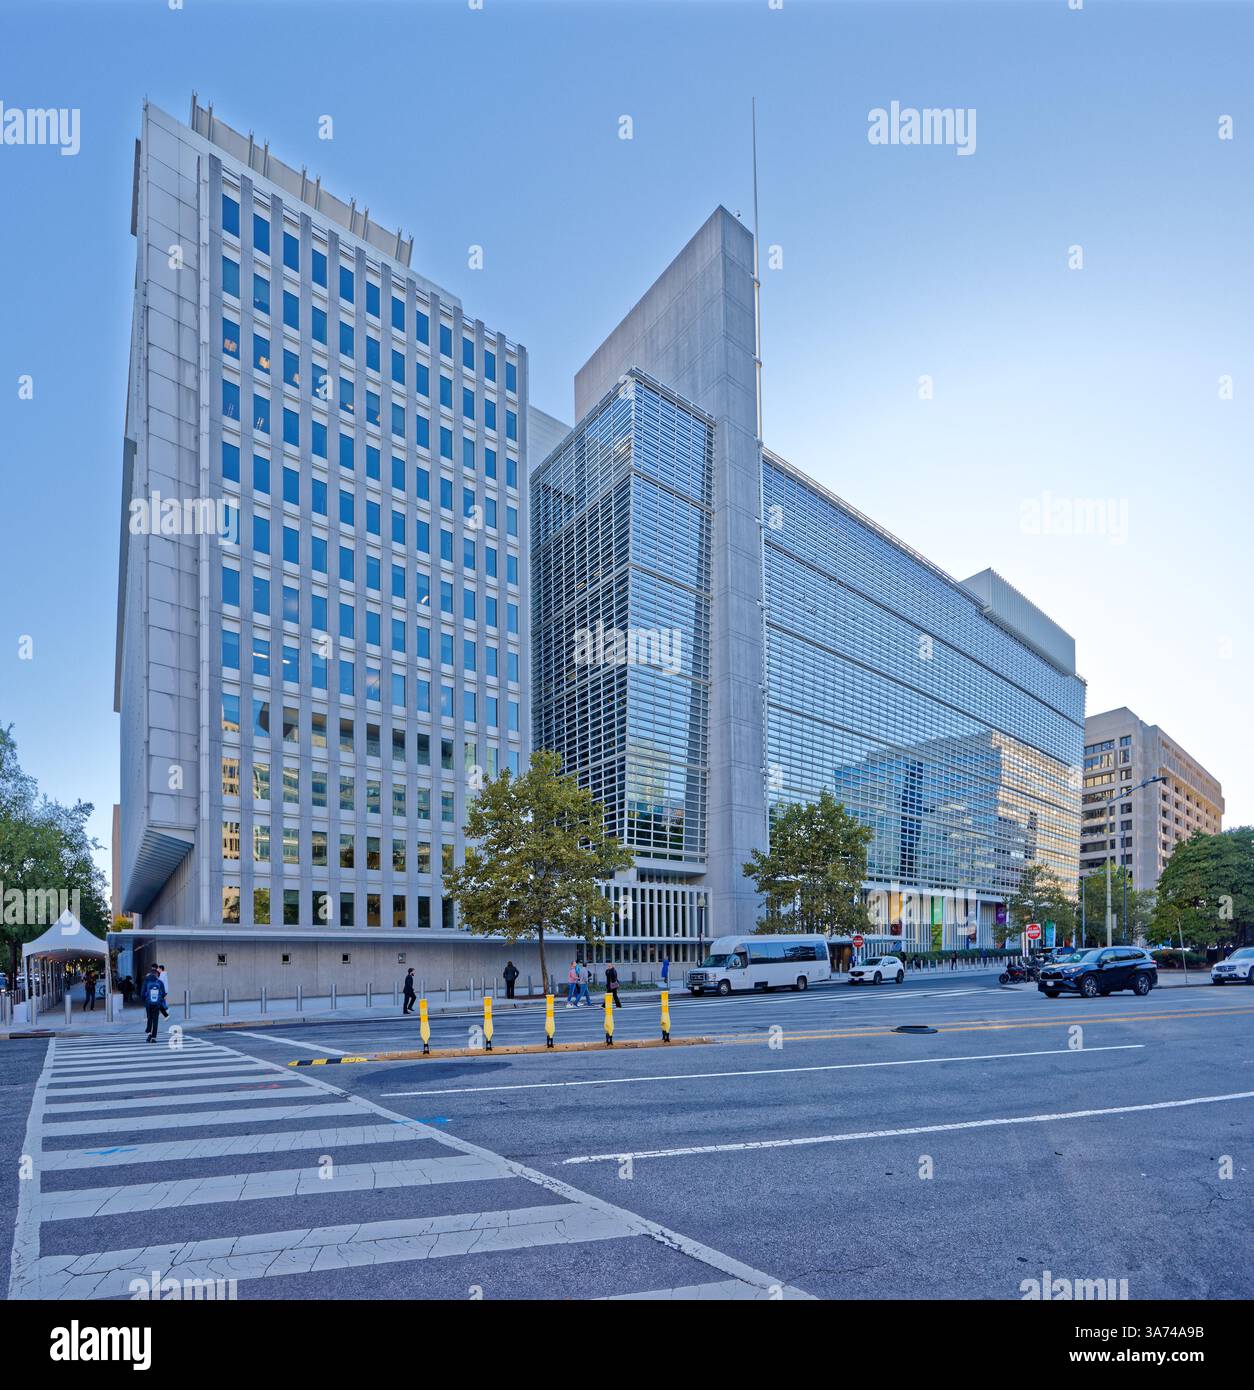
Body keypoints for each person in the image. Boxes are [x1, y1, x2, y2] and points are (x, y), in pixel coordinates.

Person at [141, 967, 166, 1042]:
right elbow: (163, 993)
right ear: (156, 974)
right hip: (157, 1004)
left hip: (148, 1003)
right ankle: (153, 1037)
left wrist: (145, 1000)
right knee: (155, 1020)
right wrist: (159, 999)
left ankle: (149, 1034)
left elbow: (142, 993)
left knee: (149, 1018)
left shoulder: (146, 981)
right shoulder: (160, 982)